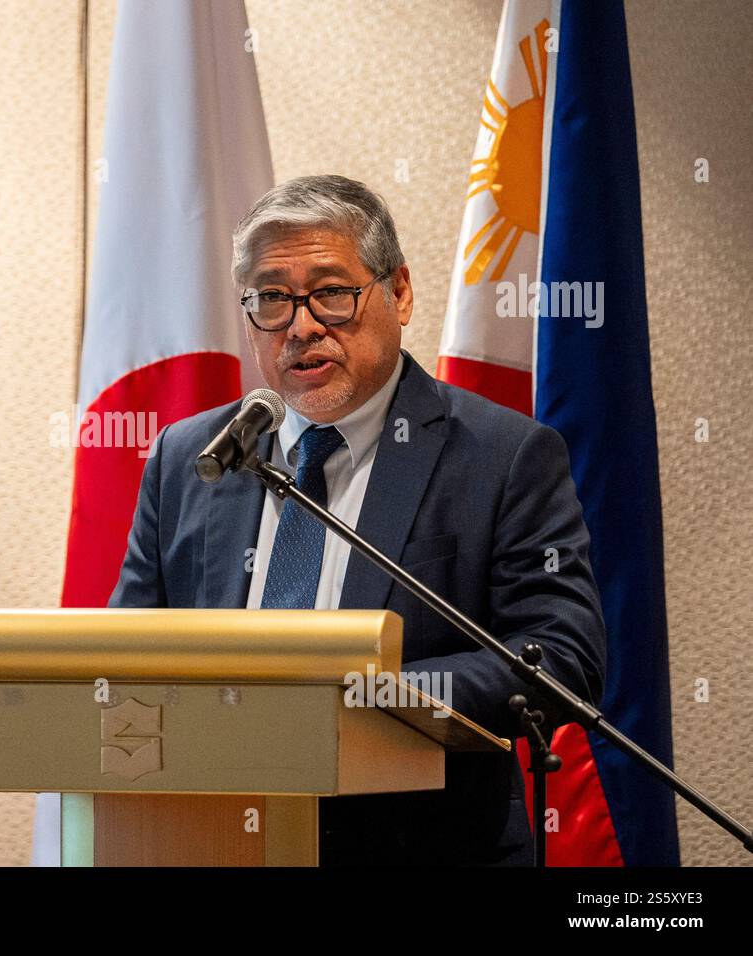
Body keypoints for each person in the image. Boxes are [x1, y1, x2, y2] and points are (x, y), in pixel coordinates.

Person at [109, 174, 607, 865]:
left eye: (331, 293)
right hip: (217, 840)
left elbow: (561, 659)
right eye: (272, 299)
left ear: (398, 293)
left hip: (421, 853)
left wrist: (363, 699)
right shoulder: (191, 456)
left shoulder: (503, 455)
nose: (301, 326)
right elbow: (128, 654)